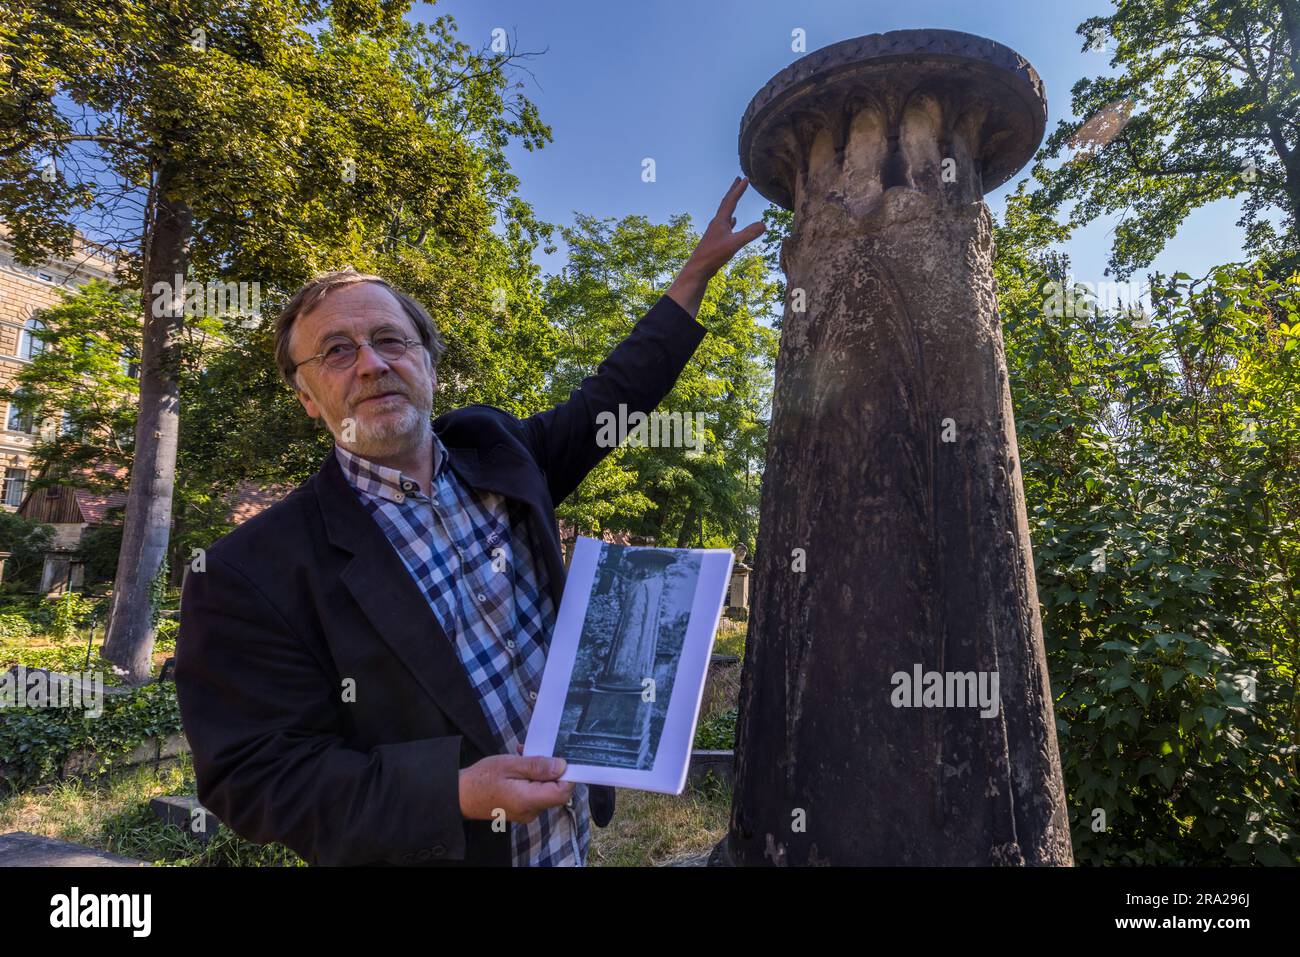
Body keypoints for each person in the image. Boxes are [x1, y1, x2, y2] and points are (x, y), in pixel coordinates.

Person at [174, 177, 764, 865]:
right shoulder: (251, 571)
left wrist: (693, 275)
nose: (370, 363)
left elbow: (614, 397)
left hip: (566, 844)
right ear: (307, 395)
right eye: (336, 350)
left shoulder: (503, 455)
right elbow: (254, 777)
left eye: (391, 340)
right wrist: (453, 790)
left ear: (426, 363)